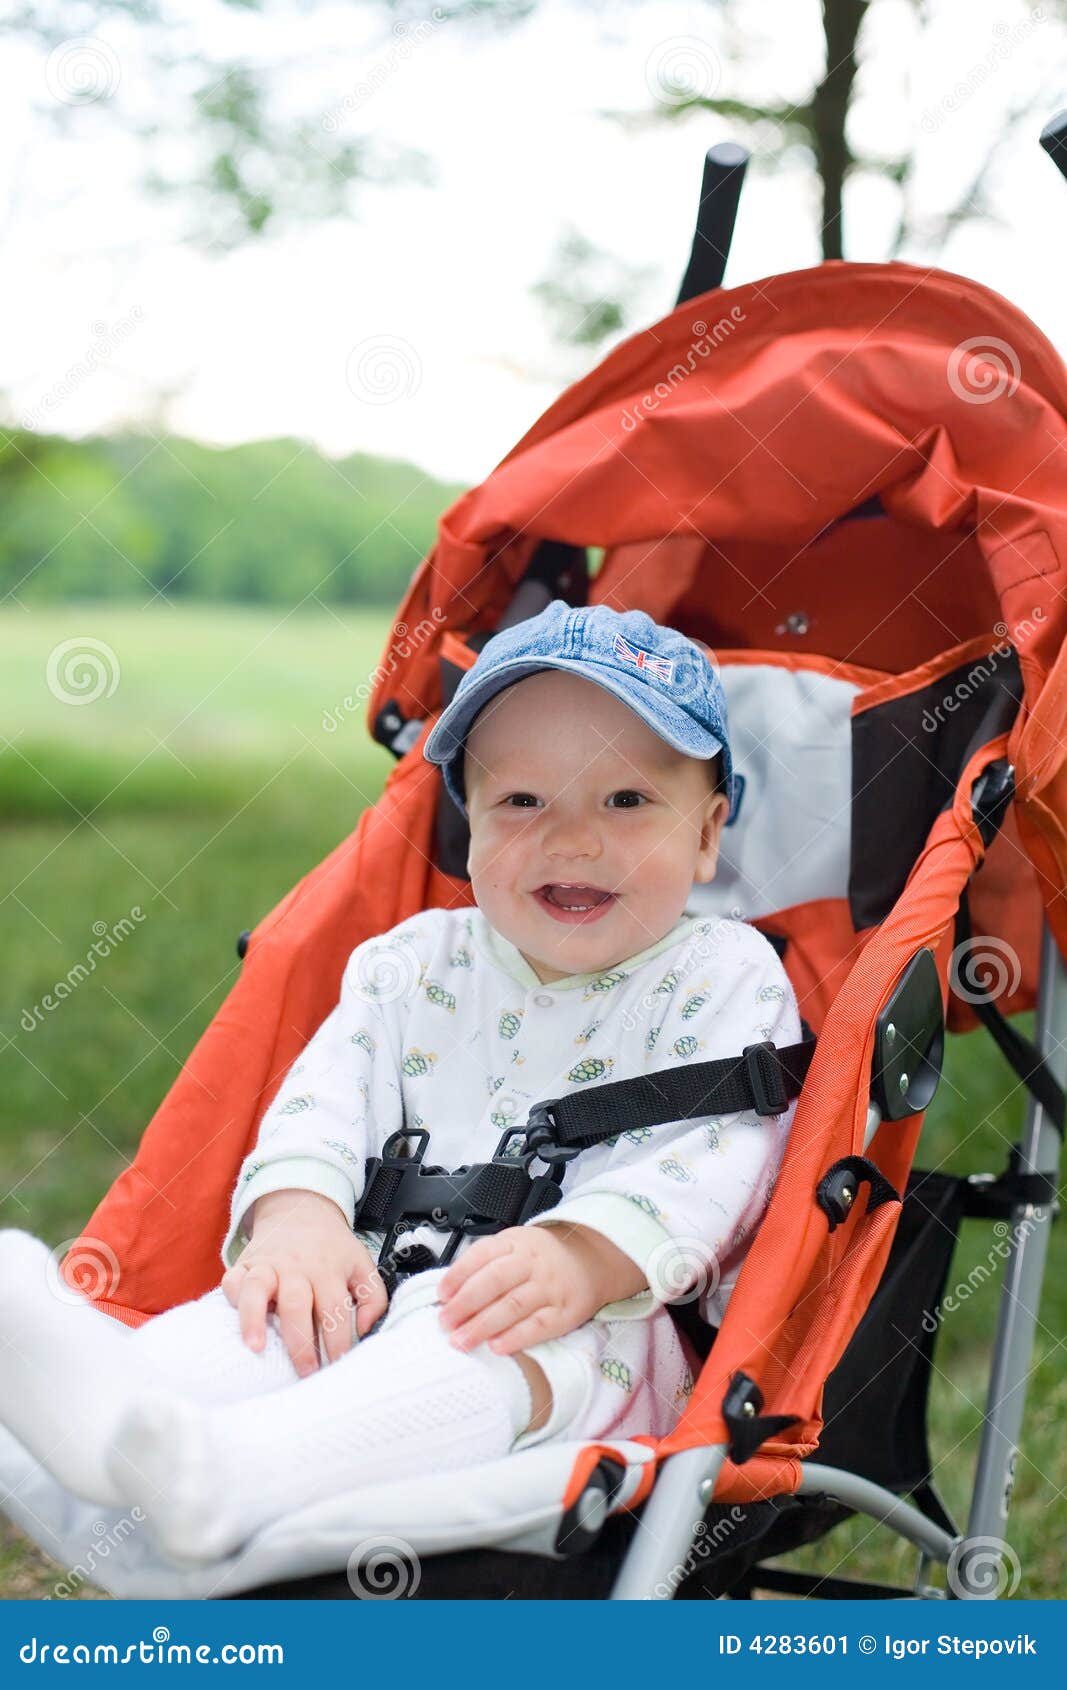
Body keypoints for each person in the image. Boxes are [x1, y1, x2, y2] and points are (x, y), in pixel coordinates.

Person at [0, 601, 802, 1567]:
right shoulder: (412, 962)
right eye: (520, 803)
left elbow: (723, 1159)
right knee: (256, 1322)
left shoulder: (723, 976)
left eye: (626, 802)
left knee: (467, 1344)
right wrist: (299, 1220)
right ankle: (93, 1430)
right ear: (466, 823)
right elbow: (321, 1100)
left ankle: (227, 1479)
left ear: (709, 833)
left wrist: (587, 1258)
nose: (571, 840)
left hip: (583, 1336)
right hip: (359, 1281)